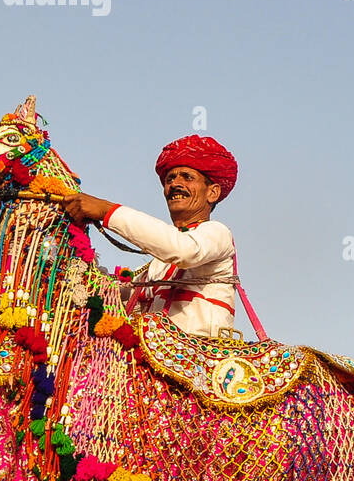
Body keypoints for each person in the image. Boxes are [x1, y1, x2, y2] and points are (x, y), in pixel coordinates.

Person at [63, 134, 239, 337]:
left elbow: (182, 251)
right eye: (170, 179)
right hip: (154, 360)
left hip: (197, 363)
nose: (175, 184)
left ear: (213, 193)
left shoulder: (217, 233)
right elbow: (115, 295)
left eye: (187, 177)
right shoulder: (156, 265)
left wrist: (107, 211)